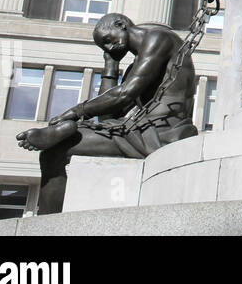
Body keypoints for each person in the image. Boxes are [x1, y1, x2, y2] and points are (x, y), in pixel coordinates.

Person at [15, 14, 197, 214]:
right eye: (104, 47)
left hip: (166, 133)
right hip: (139, 132)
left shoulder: (158, 38)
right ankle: (46, 223)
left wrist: (77, 111)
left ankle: (69, 128)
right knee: (53, 152)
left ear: (121, 24)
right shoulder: (133, 68)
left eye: (108, 41)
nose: (109, 48)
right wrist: (110, 66)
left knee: (60, 144)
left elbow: (126, 93)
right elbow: (107, 118)